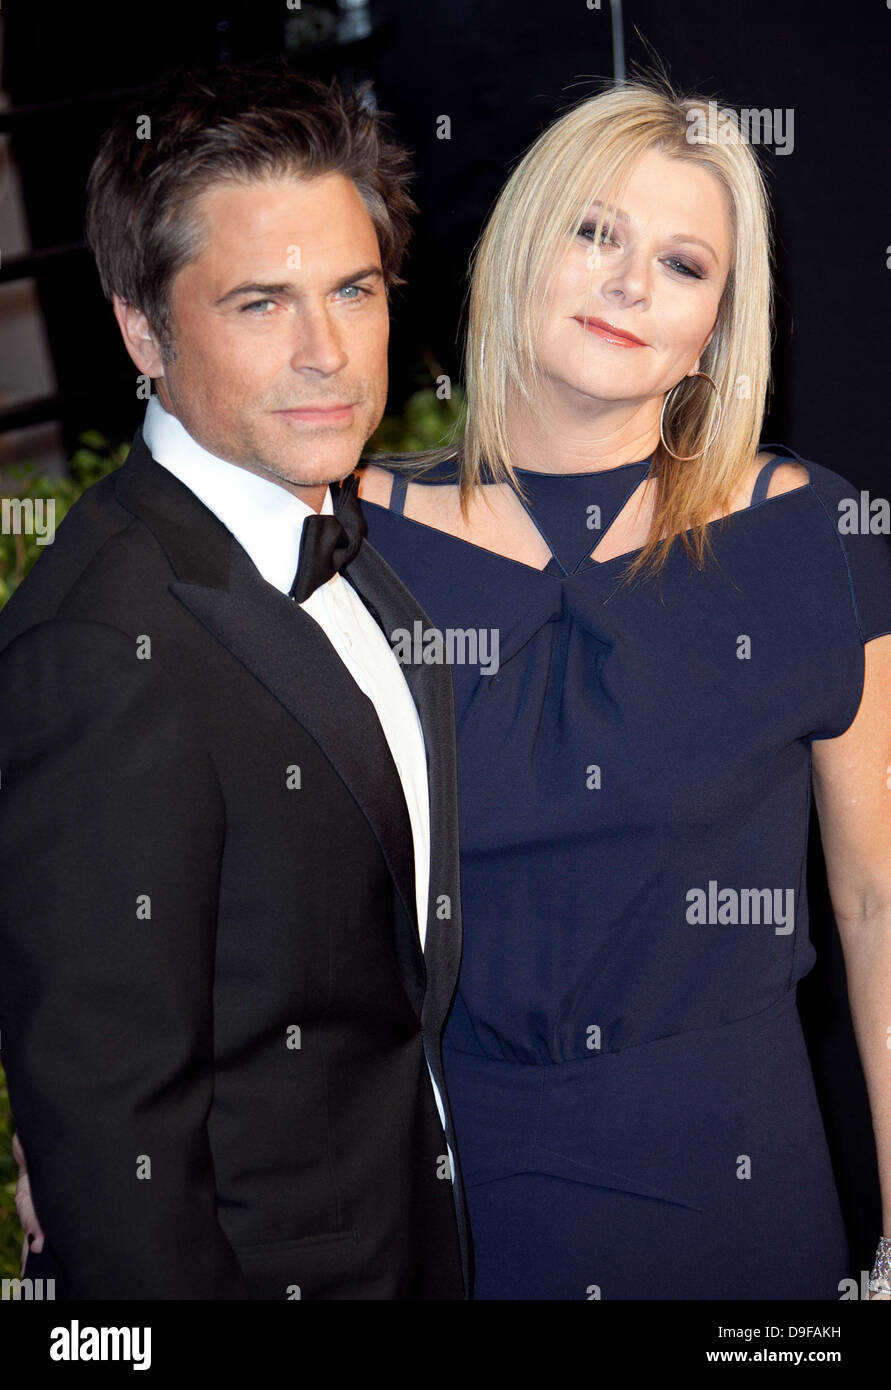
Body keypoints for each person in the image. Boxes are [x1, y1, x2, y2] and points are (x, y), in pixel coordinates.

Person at [354, 79, 891, 1299]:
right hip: (446, 1189)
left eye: (684, 262)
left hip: (738, 1185)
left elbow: (879, 902)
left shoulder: (816, 538)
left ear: (717, 328)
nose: (630, 282)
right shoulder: (352, 541)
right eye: (596, 231)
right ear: (521, 248)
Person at [0, 64, 470, 1300]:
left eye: (353, 291)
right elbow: (111, 1149)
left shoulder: (352, 539)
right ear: (142, 330)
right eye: (260, 304)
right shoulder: (105, 648)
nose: (328, 353)